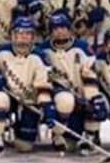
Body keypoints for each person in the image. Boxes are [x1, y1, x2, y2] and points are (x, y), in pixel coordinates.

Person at [0, 16, 52, 156]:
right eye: (19, 32)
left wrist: (46, 106)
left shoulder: (39, 56)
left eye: (27, 33)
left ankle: (20, 128)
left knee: (24, 146)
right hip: (8, 97)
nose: (23, 36)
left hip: (30, 102)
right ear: (12, 34)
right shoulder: (2, 52)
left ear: (33, 36)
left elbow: (43, 83)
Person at [40, 12, 106, 153]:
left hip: (81, 95)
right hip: (60, 97)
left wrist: (92, 96)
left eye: (63, 27)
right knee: (68, 145)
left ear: (69, 29)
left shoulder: (82, 47)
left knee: (97, 101)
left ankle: (91, 135)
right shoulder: (43, 50)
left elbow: (90, 74)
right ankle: (58, 134)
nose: (60, 31)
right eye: (56, 28)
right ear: (50, 32)